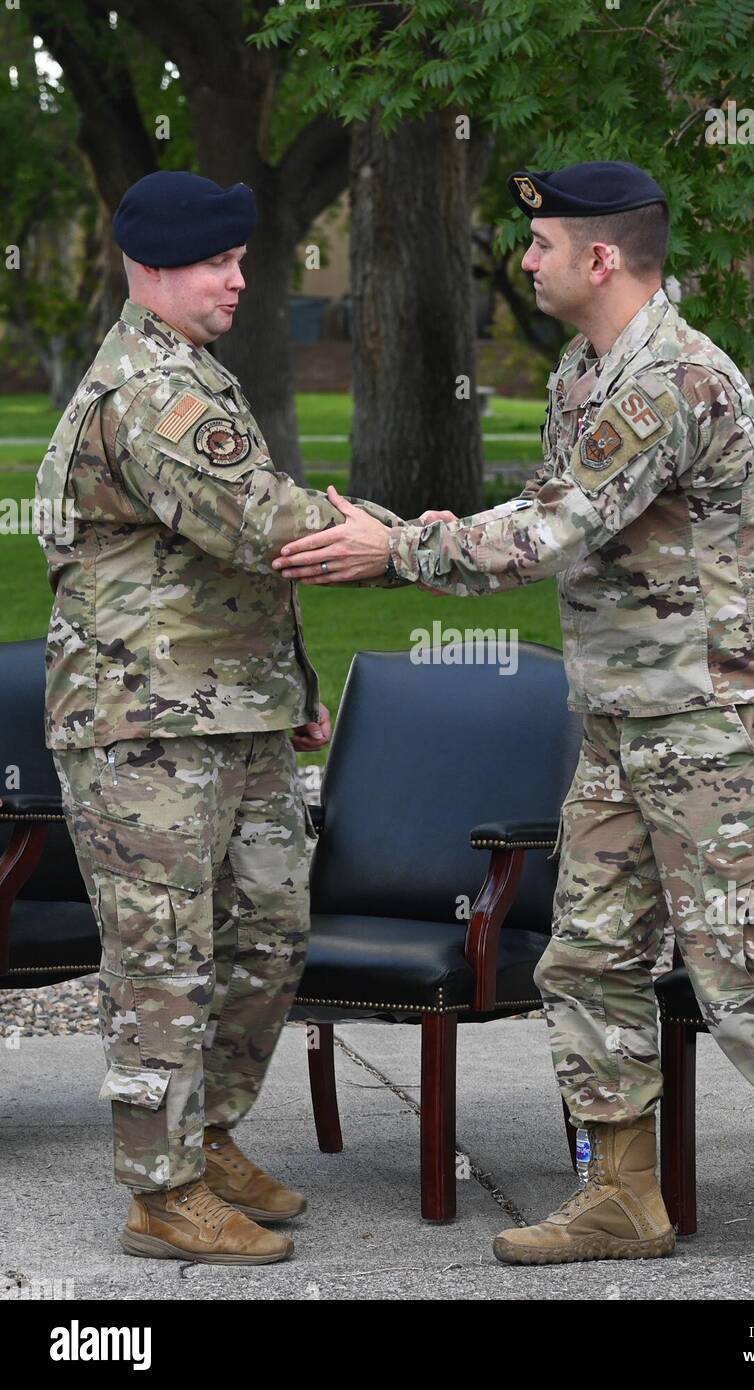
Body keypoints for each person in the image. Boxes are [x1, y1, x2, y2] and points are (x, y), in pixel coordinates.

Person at [275, 160, 754, 1280]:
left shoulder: (672, 380)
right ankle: (621, 1194)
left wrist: (394, 552)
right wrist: (407, 528)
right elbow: (555, 519)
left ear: (598, 258)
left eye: (541, 245)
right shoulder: (583, 371)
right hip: (618, 721)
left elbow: (547, 532)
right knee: (587, 960)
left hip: (718, 726)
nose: (525, 260)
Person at [35, 170, 404, 1265]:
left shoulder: (193, 370)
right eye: (220, 261)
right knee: (164, 961)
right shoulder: (152, 391)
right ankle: (160, 1192)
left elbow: (222, 568)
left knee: (266, 932)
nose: (243, 277)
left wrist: (284, 694)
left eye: (241, 258)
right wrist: (412, 542)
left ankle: (207, 1135)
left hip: (224, 715)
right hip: (145, 727)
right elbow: (269, 529)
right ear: (154, 268)